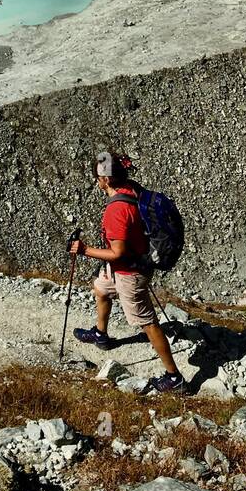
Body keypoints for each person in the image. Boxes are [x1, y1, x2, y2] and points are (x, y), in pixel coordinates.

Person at [71, 151, 184, 394]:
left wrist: (85, 250)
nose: (96, 181)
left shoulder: (116, 210)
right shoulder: (132, 190)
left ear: (107, 180)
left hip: (129, 273)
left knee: (148, 323)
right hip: (126, 267)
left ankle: (174, 378)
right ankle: (101, 334)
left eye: (97, 178)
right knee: (100, 288)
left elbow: (117, 253)